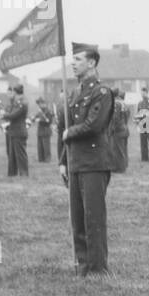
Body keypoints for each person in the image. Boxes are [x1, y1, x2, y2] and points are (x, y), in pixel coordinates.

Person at [58, 42, 117, 276]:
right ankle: (82, 264)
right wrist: (63, 160)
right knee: (78, 218)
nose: (73, 63)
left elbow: (94, 125)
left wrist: (68, 134)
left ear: (92, 63)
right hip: (75, 163)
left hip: (94, 163)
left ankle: (97, 267)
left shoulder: (101, 93)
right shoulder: (74, 93)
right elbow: (69, 129)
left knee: (94, 218)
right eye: (73, 59)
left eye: (78, 59)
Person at [3, 83, 30, 176]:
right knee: (12, 155)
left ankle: (24, 173)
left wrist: (3, 115)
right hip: (14, 131)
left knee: (20, 155)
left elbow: (13, 115)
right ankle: (12, 174)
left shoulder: (22, 103)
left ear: (15, 92)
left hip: (19, 131)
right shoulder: (17, 101)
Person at [109, 92, 130, 173]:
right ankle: (124, 165)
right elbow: (127, 116)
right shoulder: (125, 104)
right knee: (123, 149)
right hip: (125, 128)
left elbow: (115, 118)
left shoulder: (116, 104)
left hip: (118, 130)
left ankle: (120, 168)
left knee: (118, 150)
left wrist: (112, 129)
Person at [136, 87, 149, 163]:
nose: (142, 94)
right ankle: (144, 158)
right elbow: (138, 114)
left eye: (143, 92)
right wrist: (138, 123)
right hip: (142, 123)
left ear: (147, 93)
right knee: (143, 142)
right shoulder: (140, 103)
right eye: (141, 92)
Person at [33, 98, 54, 162]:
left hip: (46, 130)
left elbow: (49, 121)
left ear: (44, 103)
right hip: (40, 130)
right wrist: (33, 118)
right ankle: (41, 159)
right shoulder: (40, 111)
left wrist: (40, 120)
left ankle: (47, 159)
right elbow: (35, 118)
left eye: (40, 104)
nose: (39, 105)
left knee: (46, 146)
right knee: (40, 146)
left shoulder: (48, 111)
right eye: (38, 104)